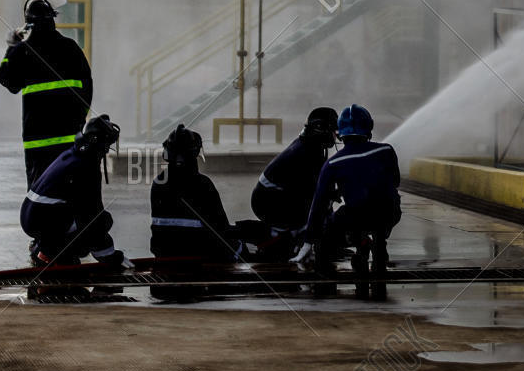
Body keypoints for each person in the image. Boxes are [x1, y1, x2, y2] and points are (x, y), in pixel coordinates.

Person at [0, 0, 93, 187]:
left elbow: (8, 80)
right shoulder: (70, 47)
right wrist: (79, 120)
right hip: (69, 138)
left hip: (37, 143)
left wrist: (11, 48)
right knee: (69, 190)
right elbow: (87, 88)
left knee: (40, 193)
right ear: (53, 19)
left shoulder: (23, 51)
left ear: (28, 22)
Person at [299, 104, 401, 275]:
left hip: (357, 217)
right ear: (369, 127)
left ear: (340, 133)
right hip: (388, 213)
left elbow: (319, 204)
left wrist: (309, 241)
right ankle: (379, 244)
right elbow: (395, 182)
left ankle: (327, 280)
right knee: (383, 206)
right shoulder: (386, 150)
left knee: (332, 226)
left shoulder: (333, 164)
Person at [20, 115, 131, 268]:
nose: (106, 150)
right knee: (102, 220)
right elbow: (92, 214)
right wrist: (110, 256)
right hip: (43, 219)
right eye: (106, 145)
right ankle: (49, 254)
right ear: (96, 142)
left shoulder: (73, 154)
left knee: (88, 219)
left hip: (33, 217)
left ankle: (46, 250)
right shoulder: (86, 167)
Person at [150, 124, 239, 260]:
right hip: (200, 256)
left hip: (164, 255)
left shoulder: (158, 182)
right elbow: (220, 229)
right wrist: (240, 248)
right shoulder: (203, 184)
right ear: (195, 153)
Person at [251, 107, 338, 236]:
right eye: (333, 131)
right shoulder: (308, 152)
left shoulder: (311, 144)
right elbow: (316, 194)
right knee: (316, 211)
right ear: (321, 129)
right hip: (268, 203)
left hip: (271, 198)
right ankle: (289, 236)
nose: (336, 136)